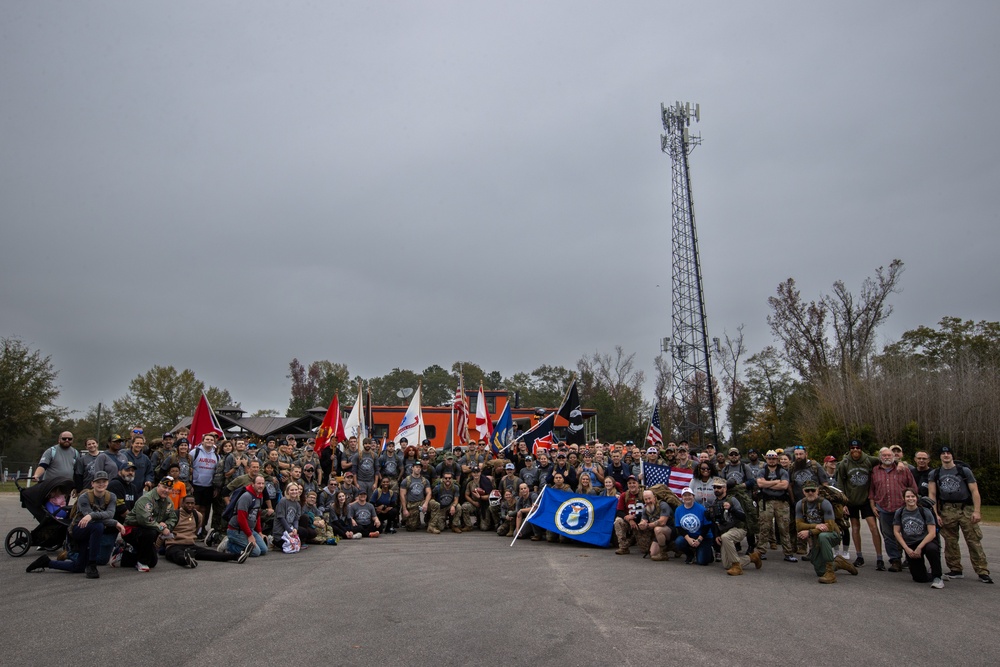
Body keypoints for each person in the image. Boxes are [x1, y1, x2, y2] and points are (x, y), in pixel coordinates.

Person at [26, 471, 124, 578]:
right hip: (78, 530)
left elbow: (109, 514)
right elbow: (90, 517)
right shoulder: (84, 496)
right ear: (92, 484)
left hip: (92, 530)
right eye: (98, 482)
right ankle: (92, 565)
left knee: (79, 567)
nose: (101, 484)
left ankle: (47, 562)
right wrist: (113, 522)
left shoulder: (111, 497)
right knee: (98, 526)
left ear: (108, 483)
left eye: (104, 481)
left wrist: (99, 518)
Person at [928, 446, 993, 583]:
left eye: (948, 453)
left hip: (965, 509)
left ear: (952, 455)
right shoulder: (935, 473)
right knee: (950, 541)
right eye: (943, 453)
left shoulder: (964, 471)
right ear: (940, 456)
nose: (946, 455)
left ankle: (982, 570)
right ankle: (955, 569)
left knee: (973, 540)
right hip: (947, 509)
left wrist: (977, 511)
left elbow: (975, 491)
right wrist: (935, 514)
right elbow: (932, 494)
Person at [796, 480, 858, 584]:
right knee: (820, 571)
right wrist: (817, 526)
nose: (810, 493)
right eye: (807, 491)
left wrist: (810, 531)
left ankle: (831, 574)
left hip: (832, 535)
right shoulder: (801, 504)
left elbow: (830, 526)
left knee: (823, 536)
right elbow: (799, 525)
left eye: (813, 490)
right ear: (803, 492)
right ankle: (839, 563)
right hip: (816, 537)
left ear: (817, 491)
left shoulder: (825, 503)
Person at [835, 440, 884, 568]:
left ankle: (880, 558)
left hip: (866, 500)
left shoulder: (869, 460)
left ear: (861, 449)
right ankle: (859, 556)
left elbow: (886, 462)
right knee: (855, 528)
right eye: (852, 448)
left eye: (857, 447)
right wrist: (843, 503)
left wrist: (899, 464)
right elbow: (840, 484)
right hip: (851, 500)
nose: (855, 450)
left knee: (873, 527)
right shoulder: (844, 463)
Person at [869, 447, 917, 572]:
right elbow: (872, 491)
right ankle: (895, 560)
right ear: (880, 457)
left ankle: (911, 559)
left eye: (889, 455)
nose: (887, 458)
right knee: (888, 536)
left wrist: (913, 504)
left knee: (908, 533)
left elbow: (912, 487)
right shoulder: (875, 471)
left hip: (902, 508)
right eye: (884, 456)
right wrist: (873, 506)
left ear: (894, 457)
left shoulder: (904, 470)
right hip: (883, 508)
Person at [164, 495, 245, 567]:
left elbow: (195, 530)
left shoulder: (197, 515)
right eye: (187, 503)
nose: (190, 505)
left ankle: (236, 556)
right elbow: (164, 532)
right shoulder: (174, 515)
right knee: (177, 555)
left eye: (192, 503)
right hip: (174, 545)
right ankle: (187, 560)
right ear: (182, 504)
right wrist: (156, 548)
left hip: (190, 545)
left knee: (210, 554)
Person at [123, 476, 179, 572]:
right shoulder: (146, 499)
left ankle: (125, 554)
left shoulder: (168, 502)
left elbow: (173, 517)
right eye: (164, 487)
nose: (166, 490)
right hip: (131, 529)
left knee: (152, 562)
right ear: (158, 485)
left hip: (150, 529)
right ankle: (141, 562)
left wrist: (167, 525)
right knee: (151, 533)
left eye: (169, 489)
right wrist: (161, 527)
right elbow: (145, 520)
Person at [707, 478, 762, 576]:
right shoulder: (714, 502)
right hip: (725, 531)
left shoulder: (732, 499)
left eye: (719, 487)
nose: (716, 489)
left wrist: (731, 509)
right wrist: (716, 535)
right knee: (727, 565)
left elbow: (743, 516)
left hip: (739, 528)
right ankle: (752, 557)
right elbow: (715, 521)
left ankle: (737, 566)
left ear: (725, 488)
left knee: (726, 537)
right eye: (714, 487)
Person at [893, 488, 943, 588]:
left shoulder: (924, 511)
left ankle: (938, 577)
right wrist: (907, 549)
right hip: (911, 544)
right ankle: (929, 575)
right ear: (903, 499)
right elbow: (896, 532)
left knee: (931, 549)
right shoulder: (900, 512)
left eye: (913, 496)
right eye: (907, 496)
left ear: (917, 498)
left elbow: (932, 533)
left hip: (926, 541)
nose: (910, 499)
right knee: (919, 578)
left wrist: (919, 548)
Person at [224, 474, 267, 560]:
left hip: (249, 529)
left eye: (262, 484)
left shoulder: (260, 496)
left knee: (263, 550)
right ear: (253, 484)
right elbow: (241, 518)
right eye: (258, 483)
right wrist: (249, 535)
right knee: (255, 552)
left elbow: (257, 515)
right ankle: (228, 545)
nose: (261, 486)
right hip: (237, 530)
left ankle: (235, 542)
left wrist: (259, 532)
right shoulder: (246, 497)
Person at [674, 488, 713, 565]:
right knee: (678, 542)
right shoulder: (678, 510)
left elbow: (707, 526)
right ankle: (690, 554)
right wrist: (688, 539)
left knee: (702, 562)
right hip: (689, 536)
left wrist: (699, 540)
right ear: (682, 497)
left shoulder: (701, 509)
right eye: (685, 495)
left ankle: (708, 551)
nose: (687, 497)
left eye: (689, 495)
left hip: (703, 537)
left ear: (693, 496)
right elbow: (679, 527)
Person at [634, 489, 672, 561]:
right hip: (658, 534)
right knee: (653, 554)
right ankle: (669, 547)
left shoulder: (663, 505)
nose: (648, 501)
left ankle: (664, 553)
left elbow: (662, 522)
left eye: (649, 498)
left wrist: (648, 525)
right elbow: (644, 521)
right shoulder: (645, 510)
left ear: (654, 497)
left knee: (657, 529)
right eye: (646, 499)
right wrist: (642, 525)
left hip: (670, 530)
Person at [613, 476, 644, 555]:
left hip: (642, 522)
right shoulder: (624, 495)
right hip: (629, 522)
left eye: (634, 483)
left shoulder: (644, 494)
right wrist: (629, 519)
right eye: (629, 483)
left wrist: (635, 517)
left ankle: (634, 539)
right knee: (618, 521)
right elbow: (619, 511)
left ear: (638, 484)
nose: (632, 485)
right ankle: (623, 547)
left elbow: (649, 510)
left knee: (645, 549)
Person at [400, 461, 432, 532]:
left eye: (420, 467)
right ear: (412, 468)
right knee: (411, 528)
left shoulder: (424, 480)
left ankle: (430, 524)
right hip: (411, 503)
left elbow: (429, 492)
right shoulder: (406, 480)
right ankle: (413, 520)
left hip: (421, 502)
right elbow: (402, 495)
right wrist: (404, 509)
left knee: (435, 505)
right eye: (416, 467)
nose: (418, 469)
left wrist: (426, 504)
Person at [273, 482, 303, 551]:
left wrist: (295, 528)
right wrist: (289, 530)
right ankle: (274, 541)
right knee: (288, 546)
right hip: (281, 531)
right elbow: (281, 518)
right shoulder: (283, 501)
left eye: (296, 490)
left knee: (303, 532)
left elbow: (296, 519)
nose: (294, 492)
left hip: (291, 528)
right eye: (292, 490)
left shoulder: (297, 504)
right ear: (287, 491)